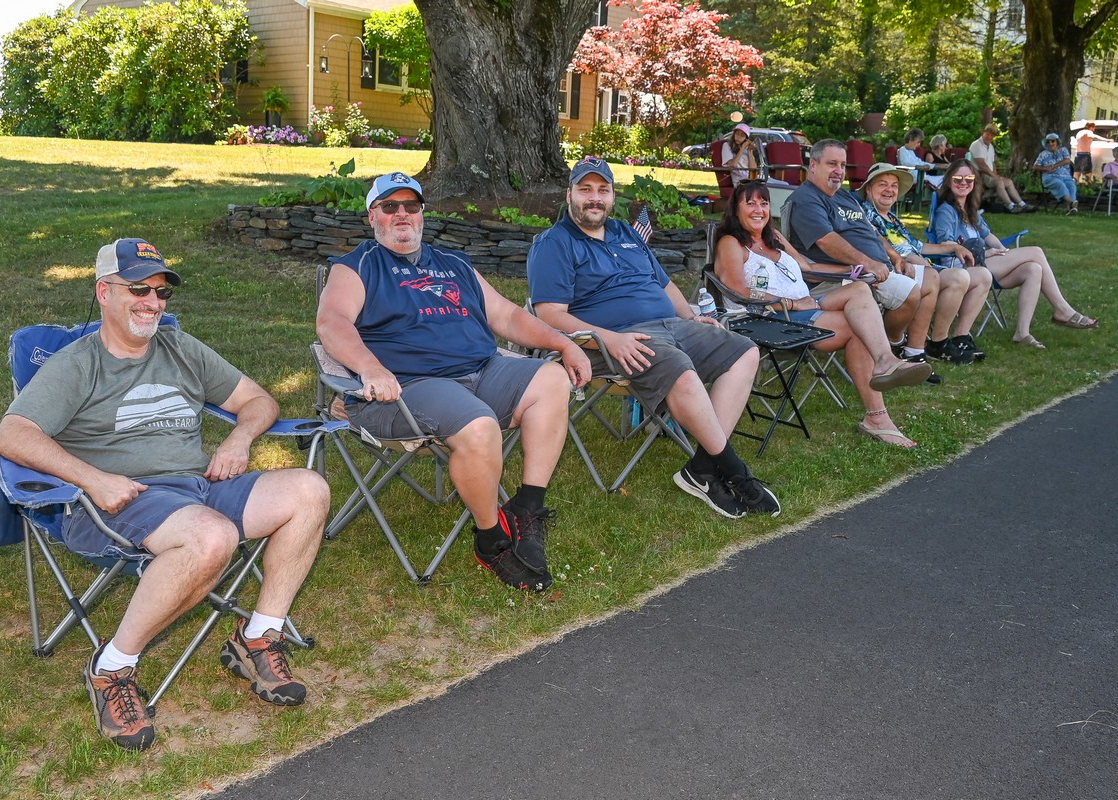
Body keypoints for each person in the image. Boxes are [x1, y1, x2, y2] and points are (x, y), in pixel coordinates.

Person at [0, 238, 332, 752]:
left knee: (309, 489)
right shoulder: (77, 364)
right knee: (211, 538)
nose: (152, 302)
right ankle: (111, 668)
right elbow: (12, 435)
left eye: (161, 292)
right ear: (104, 292)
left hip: (196, 488)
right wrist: (93, 478)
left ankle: (258, 637)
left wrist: (239, 439)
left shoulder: (180, 347)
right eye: (138, 290)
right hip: (119, 501)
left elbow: (258, 400)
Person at [317, 172, 591, 593]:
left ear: (422, 213)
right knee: (479, 427)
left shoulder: (454, 263)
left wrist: (564, 344)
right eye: (390, 207)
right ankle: (491, 540)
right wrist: (370, 368)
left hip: (482, 369)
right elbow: (332, 322)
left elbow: (507, 316)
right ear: (372, 216)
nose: (402, 214)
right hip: (409, 387)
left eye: (411, 206)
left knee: (552, 379)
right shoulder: (358, 266)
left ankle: (526, 510)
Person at [528, 156, 780, 519]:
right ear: (570, 195)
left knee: (743, 352)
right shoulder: (554, 243)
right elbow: (550, 314)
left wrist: (692, 317)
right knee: (680, 370)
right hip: (612, 340)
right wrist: (610, 340)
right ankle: (735, 472)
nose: (594, 198)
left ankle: (703, 469)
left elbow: (663, 284)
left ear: (612, 196)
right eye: (585, 190)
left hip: (670, 324)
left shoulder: (625, 233)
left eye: (603, 190)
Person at [713, 181, 932, 448]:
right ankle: (877, 414)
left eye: (764, 203)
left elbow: (809, 268)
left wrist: (855, 270)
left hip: (802, 306)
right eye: (750, 204)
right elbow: (737, 289)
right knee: (857, 328)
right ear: (736, 209)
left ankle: (885, 362)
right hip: (766, 318)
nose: (759, 210)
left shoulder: (774, 238)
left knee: (859, 289)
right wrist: (790, 303)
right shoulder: (731, 243)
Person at [784, 139, 934, 369]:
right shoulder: (806, 199)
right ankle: (891, 348)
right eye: (832, 164)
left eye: (843, 165)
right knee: (910, 291)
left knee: (929, 279)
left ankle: (903, 349)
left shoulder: (845, 197)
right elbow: (826, 240)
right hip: (839, 277)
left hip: (876, 268)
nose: (838, 170)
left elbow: (872, 232)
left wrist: (896, 257)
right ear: (813, 165)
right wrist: (868, 263)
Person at [931, 159, 1098, 349]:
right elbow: (946, 244)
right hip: (962, 268)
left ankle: (1022, 333)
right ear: (948, 181)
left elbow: (988, 235)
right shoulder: (946, 211)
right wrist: (987, 254)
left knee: (1033, 269)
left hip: (983, 264)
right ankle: (1062, 310)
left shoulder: (969, 209)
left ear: (974, 182)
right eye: (957, 179)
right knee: (1036, 252)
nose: (963, 183)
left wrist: (1003, 252)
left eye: (968, 179)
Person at [858, 163, 991, 364]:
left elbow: (918, 246)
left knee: (981, 275)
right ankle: (938, 342)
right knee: (959, 277)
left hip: (923, 267)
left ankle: (957, 337)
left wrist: (954, 247)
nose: (889, 190)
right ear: (868, 189)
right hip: (902, 271)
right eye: (882, 184)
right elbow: (875, 246)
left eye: (894, 186)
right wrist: (904, 259)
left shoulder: (892, 218)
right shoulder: (865, 215)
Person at [968, 123, 1032, 213]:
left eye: (992, 135)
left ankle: (1022, 204)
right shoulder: (976, 145)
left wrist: (995, 174)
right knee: (999, 182)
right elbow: (981, 164)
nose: (989, 137)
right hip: (979, 174)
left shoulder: (990, 147)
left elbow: (992, 163)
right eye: (988, 134)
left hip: (989, 174)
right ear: (983, 133)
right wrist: (993, 176)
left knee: (1009, 182)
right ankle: (1011, 206)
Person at [1033, 132, 1079, 214]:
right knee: (1059, 184)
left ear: (1057, 142)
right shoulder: (1043, 154)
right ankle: (1072, 203)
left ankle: (1070, 209)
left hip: (1065, 176)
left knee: (1072, 186)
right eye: (1048, 142)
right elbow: (1035, 166)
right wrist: (1046, 168)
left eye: (1052, 141)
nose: (1050, 143)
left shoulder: (1063, 150)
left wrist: (1054, 165)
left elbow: (1067, 160)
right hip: (1050, 177)